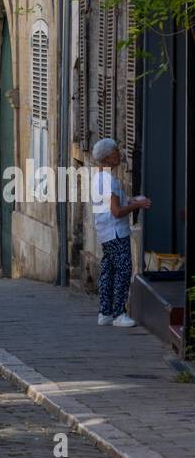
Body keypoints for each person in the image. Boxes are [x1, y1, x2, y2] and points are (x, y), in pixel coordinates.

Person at [91, 138, 150, 328]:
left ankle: (105, 312)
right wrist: (138, 205)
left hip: (104, 232)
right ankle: (119, 313)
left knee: (108, 271)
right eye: (116, 151)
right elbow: (116, 212)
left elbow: (112, 205)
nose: (120, 154)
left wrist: (130, 200)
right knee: (123, 271)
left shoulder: (98, 177)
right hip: (116, 232)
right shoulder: (109, 180)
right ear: (108, 157)